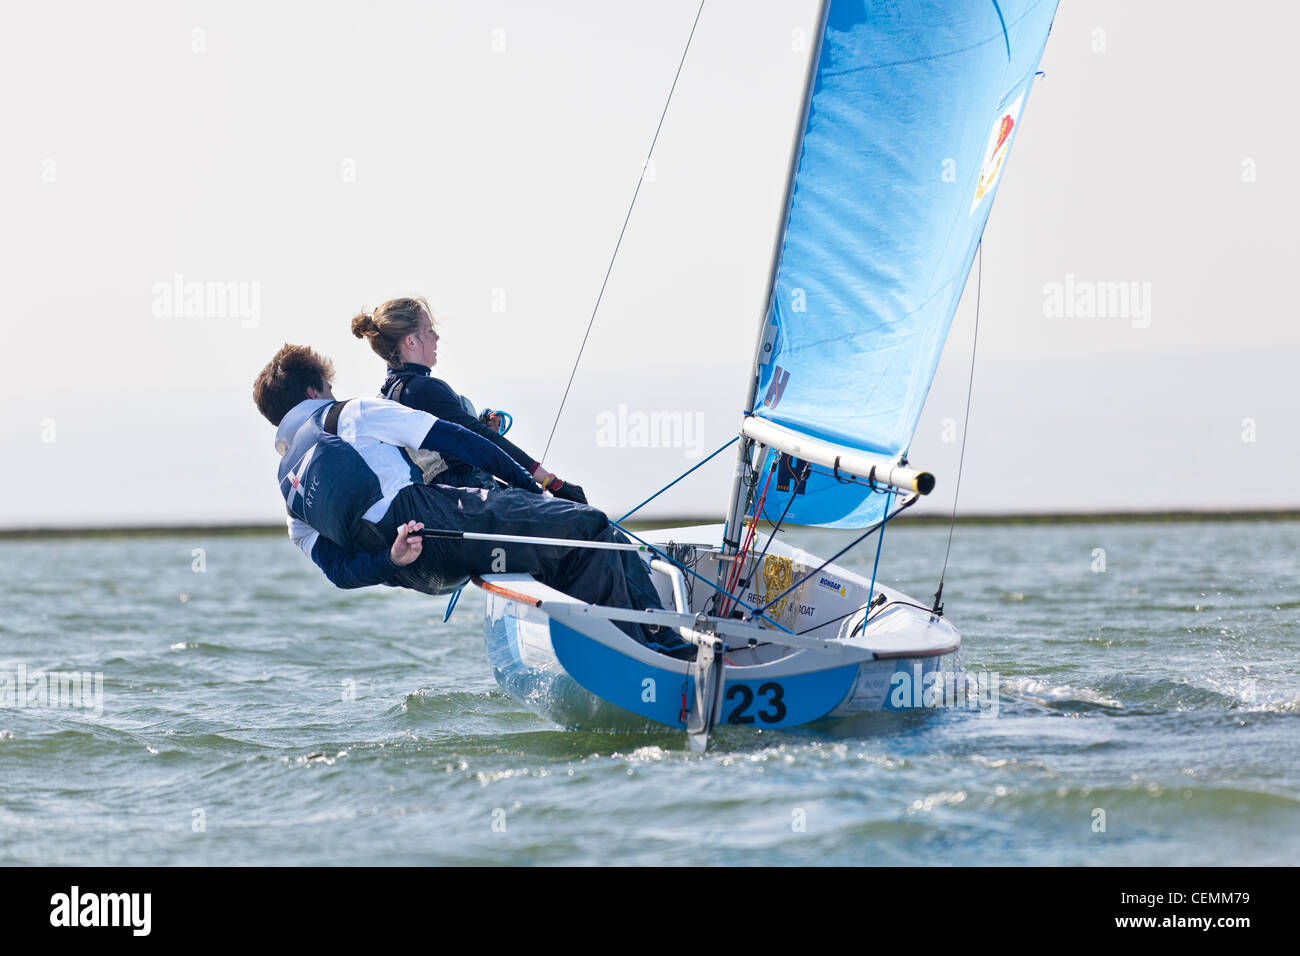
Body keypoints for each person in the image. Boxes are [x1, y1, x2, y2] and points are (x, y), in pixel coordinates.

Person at [251, 344, 663, 644]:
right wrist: (533, 489)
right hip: (435, 520)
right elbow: (462, 440)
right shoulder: (349, 413)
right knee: (586, 525)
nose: (332, 393)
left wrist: (390, 558)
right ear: (312, 393)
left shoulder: (290, 496)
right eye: (327, 386)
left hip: (417, 572)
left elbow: (339, 572)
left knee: (557, 547)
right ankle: (652, 648)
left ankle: (608, 636)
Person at [350, 296, 586, 503]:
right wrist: (550, 483)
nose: (437, 337)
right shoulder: (422, 389)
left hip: (438, 505)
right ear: (411, 342)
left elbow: (442, 446)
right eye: (430, 331)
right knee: (584, 524)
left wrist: (479, 428)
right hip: (464, 500)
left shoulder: (387, 396)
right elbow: (486, 443)